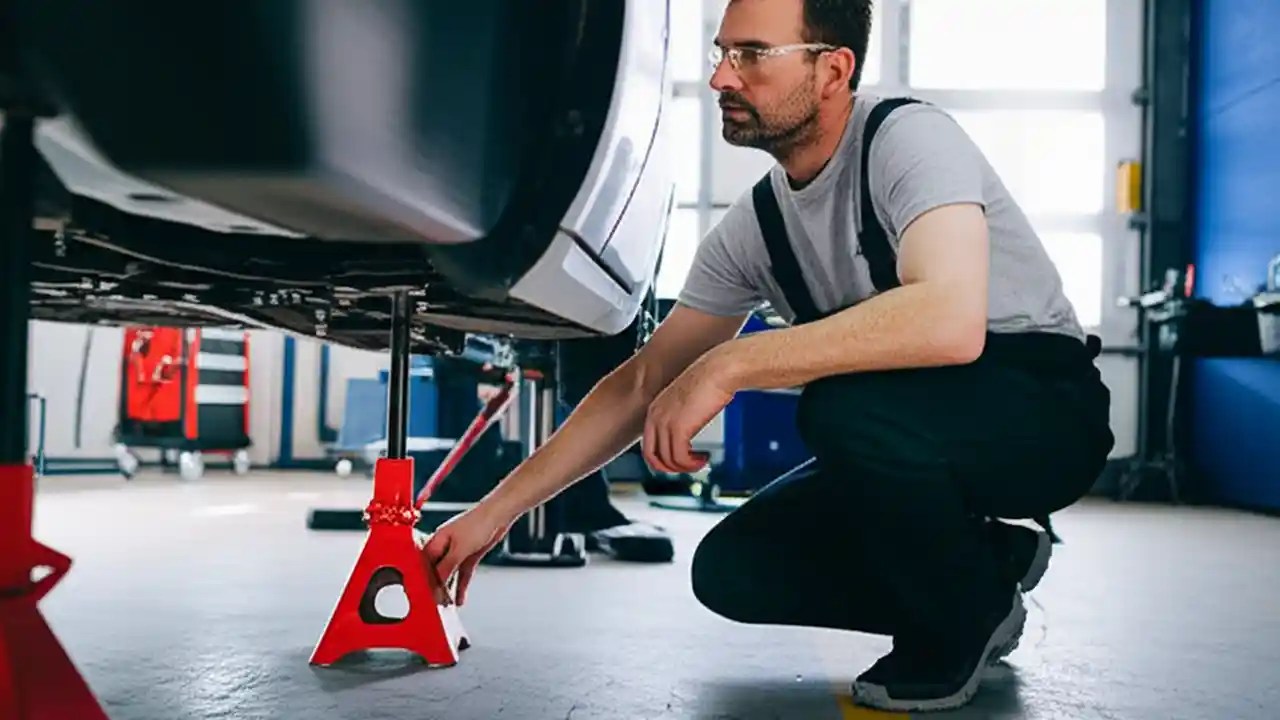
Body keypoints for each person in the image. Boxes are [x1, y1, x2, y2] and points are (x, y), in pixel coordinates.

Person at [423, 0, 1115, 712]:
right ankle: (985, 574)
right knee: (735, 569)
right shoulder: (756, 227)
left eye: (753, 54)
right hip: (910, 427)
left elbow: (949, 319)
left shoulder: (907, 139)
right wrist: (493, 513)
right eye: (722, 53)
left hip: (1043, 415)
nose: (723, 76)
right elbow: (642, 385)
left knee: (844, 408)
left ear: (833, 69)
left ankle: (953, 626)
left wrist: (728, 364)